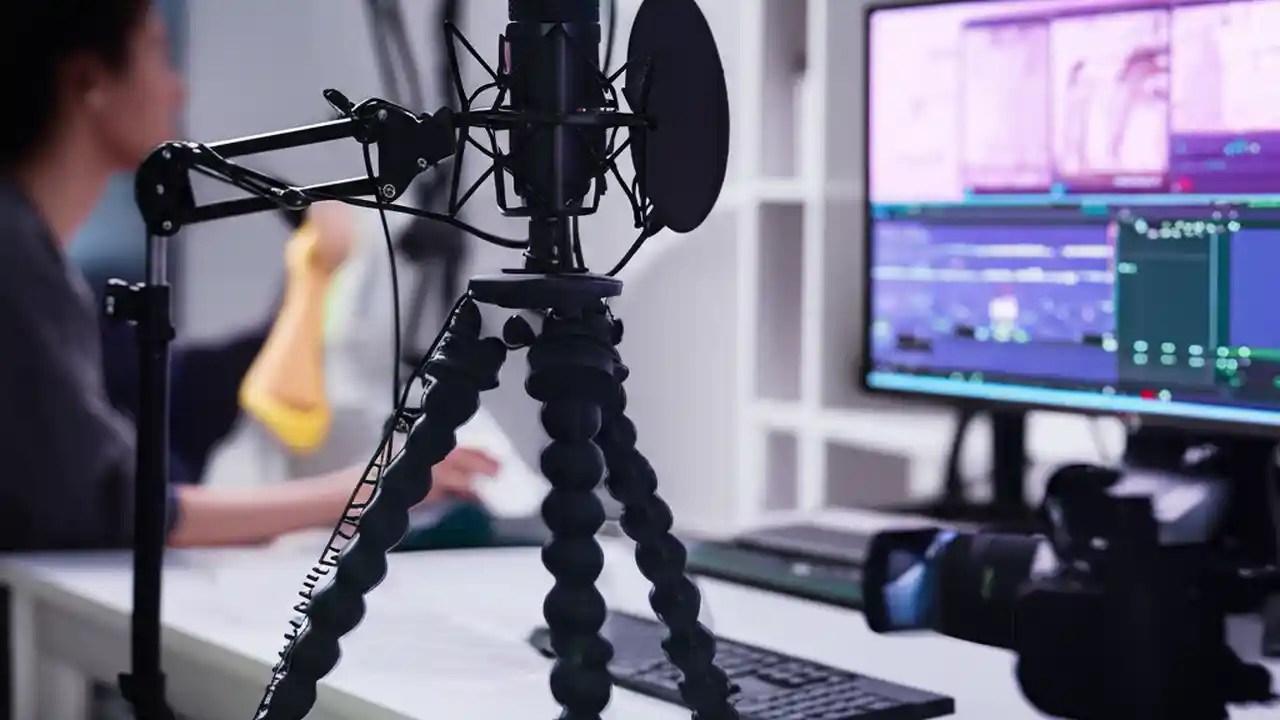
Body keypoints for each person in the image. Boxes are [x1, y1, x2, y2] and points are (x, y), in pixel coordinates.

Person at [0, 0, 498, 550]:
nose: (177, 90)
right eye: (157, 52)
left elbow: (170, 398)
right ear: (90, 80)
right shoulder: (15, 264)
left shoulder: (32, 260)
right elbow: (105, 505)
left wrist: (308, 292)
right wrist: (366, 488)